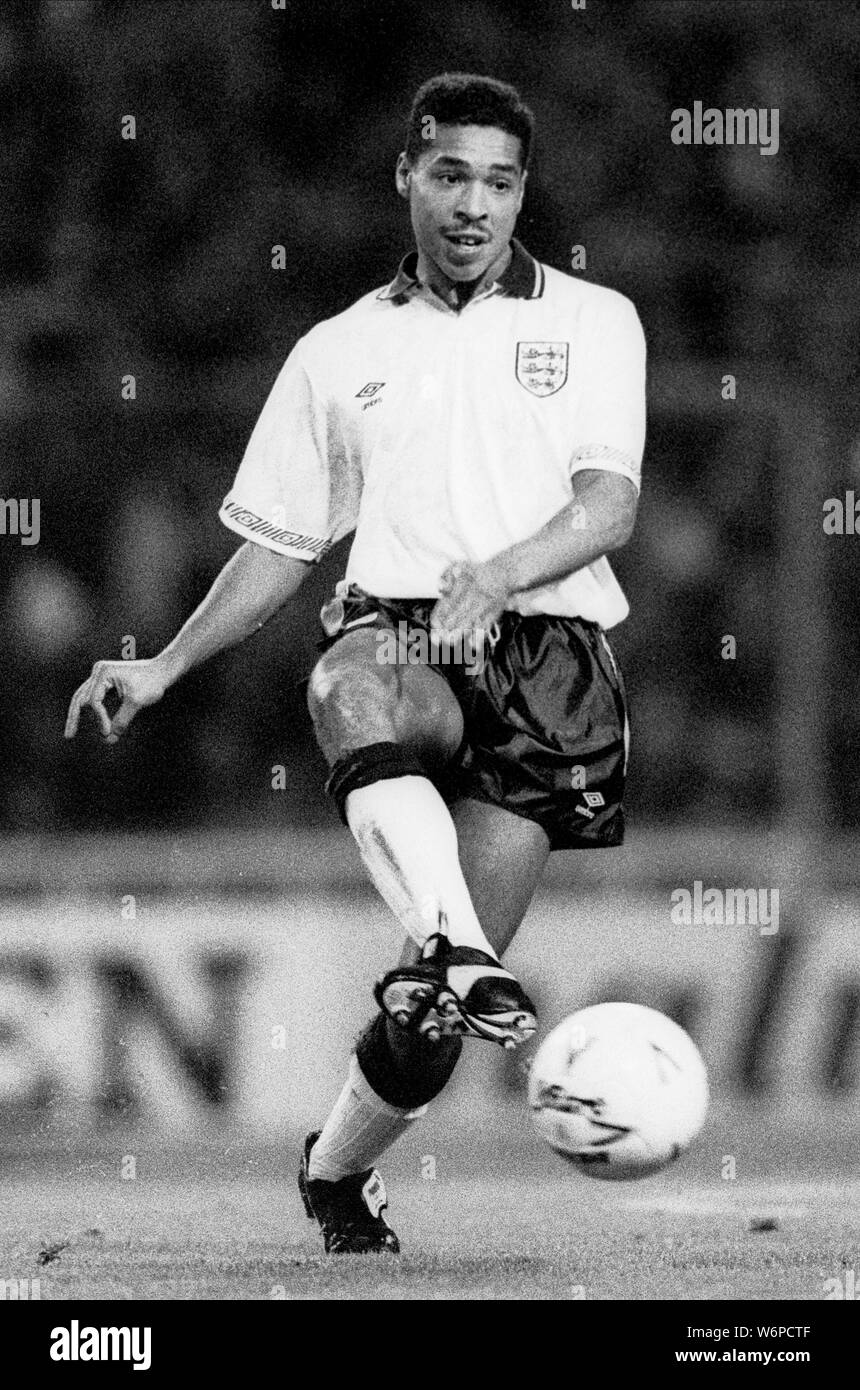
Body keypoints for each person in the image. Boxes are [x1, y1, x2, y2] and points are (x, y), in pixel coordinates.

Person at [65, 73, 646, 1255]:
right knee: (345, 679)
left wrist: (498, 573)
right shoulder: (339, 350)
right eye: (449, 175)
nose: (473, 204)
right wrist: (164, 665)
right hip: (404, 635)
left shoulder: (595, 320)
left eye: (497, 180)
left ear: (522, 190)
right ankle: (457, 945)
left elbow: (609, 505)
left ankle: (335, 1170)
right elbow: (277, 545)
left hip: (551, 668)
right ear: (406, 175)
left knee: (425, 1022)